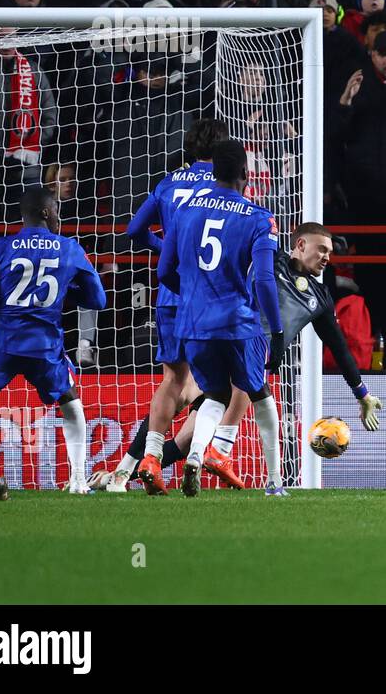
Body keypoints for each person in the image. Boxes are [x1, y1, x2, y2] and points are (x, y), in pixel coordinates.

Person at [93, 221, 383, 493]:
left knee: (182, 442)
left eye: (330, 253)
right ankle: (222, 453)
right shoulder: (269, 259)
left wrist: (363, 394)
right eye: (322, 249)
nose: (327, 257)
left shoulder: (319, 297)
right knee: (177, 399)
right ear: (301, 244)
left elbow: (339, 347)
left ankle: (116, 478)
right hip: (226, 342)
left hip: (240, 361)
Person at [151, 139, 287, 498]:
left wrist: (195, 295)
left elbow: (164, 270)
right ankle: (275, 481)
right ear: (246, 173)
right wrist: (275, 328)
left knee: (215, 393)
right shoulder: (259, 218)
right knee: (259, 393)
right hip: (238, 322)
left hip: (193, 323)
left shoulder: (186, 210)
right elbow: (263, 279)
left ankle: (195, 455)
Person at [118, 118, 246, 494]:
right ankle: (205, 454)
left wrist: (168, 253)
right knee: (227, 385)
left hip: (172, 295)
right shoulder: (225, 186)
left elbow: (133, 232)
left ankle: (150, 458)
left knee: (174, 381)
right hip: (214, 298)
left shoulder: (169, 183)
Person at [0, 187, 107, 494]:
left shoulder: (1, 247)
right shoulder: (70, 248)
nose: (58, 217)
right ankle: (78, 479)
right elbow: (98, 299)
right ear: (44, 212)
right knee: (69, 399)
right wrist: (67, 290)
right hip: (44, 346)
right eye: (55, 210)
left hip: (3, 342)